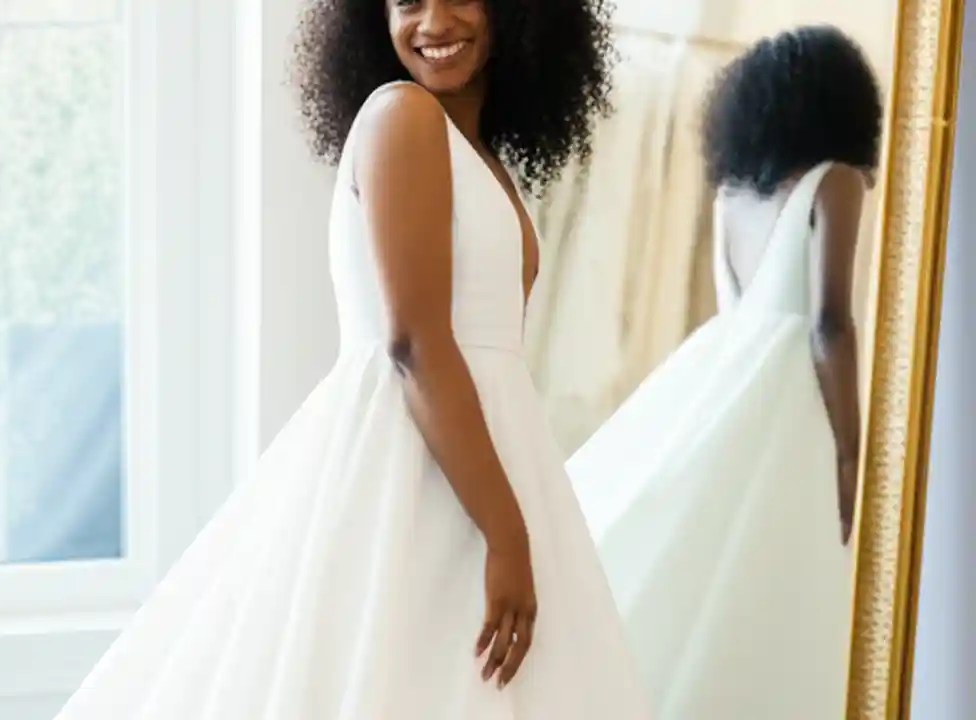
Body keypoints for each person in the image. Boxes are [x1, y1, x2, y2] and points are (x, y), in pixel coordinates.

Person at [55, 0, 651, 717]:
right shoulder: (403, 115)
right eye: (406, 1)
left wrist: (510, 526)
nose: (433, 22)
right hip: (413, 477)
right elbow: (415, 343)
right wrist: (507, 534)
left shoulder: (477, 151)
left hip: (482, 468)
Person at [567, 25, 884, 719]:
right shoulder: (837, 182)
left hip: (720, 373)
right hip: (791, 398)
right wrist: (853, 450)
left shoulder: (732, 193)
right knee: (776, 591)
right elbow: (831, 322)